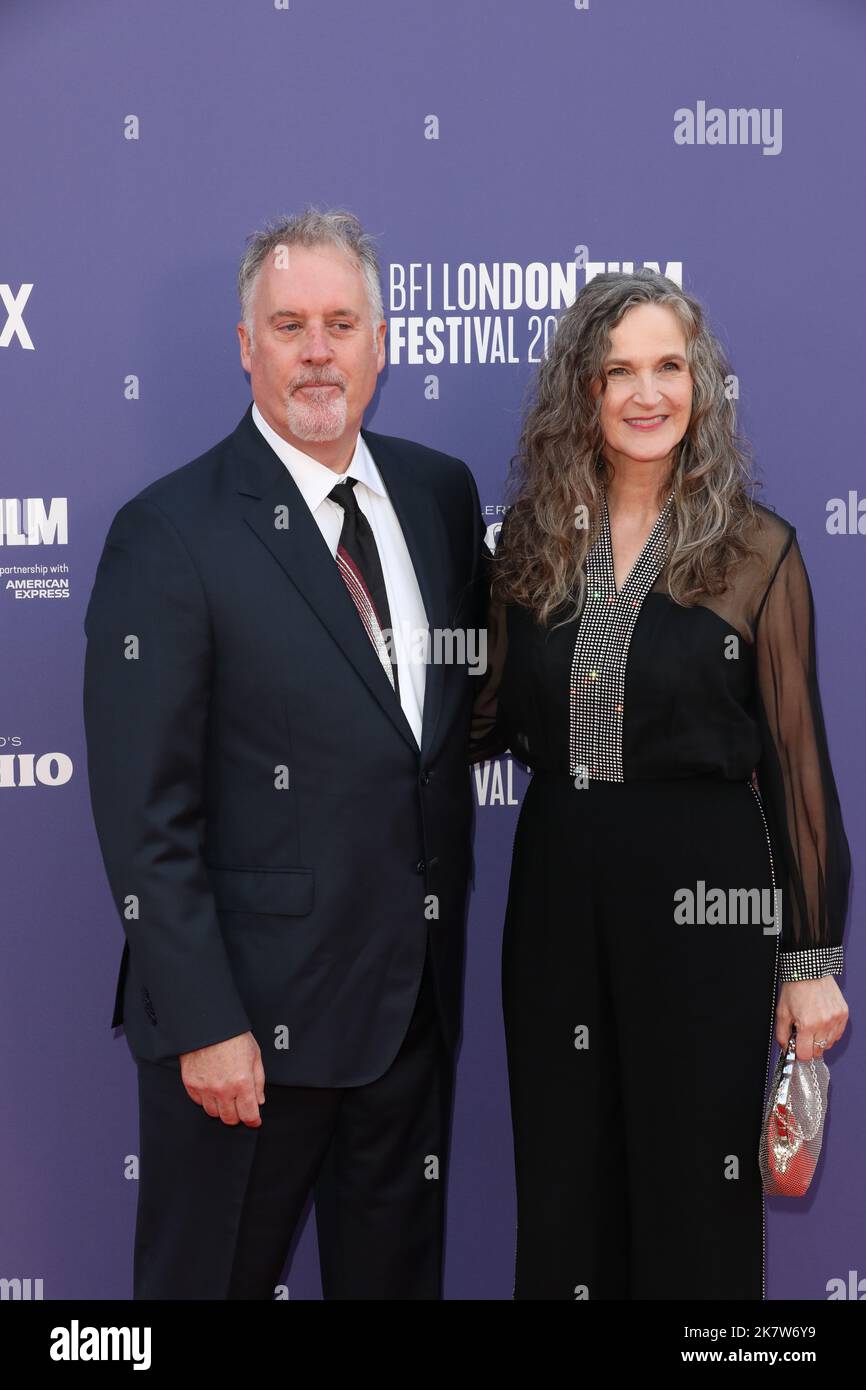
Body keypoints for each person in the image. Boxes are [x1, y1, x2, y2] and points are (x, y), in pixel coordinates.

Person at [83, 208, 487, 1299]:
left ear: (382, 341)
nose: (319, 350)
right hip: (246, 1039)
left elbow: (444, 725)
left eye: (342, 322)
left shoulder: (437, 493)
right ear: (245, 344)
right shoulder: (169, 532)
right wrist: (207, 1020)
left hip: (407, 1019)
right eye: (290, 323)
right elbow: (142, 813)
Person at [469, 268, 851, 1301]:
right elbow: (479, 720)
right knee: (561, 1181)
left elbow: (795, 764)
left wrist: (808, 957)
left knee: (696, 1186)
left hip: (703, 897)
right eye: (618, 369)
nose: (647, 393)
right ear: (579, 392)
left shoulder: (754, 551)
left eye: (668, 366)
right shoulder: (527, 548)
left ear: (701, 383)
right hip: (556, 892)